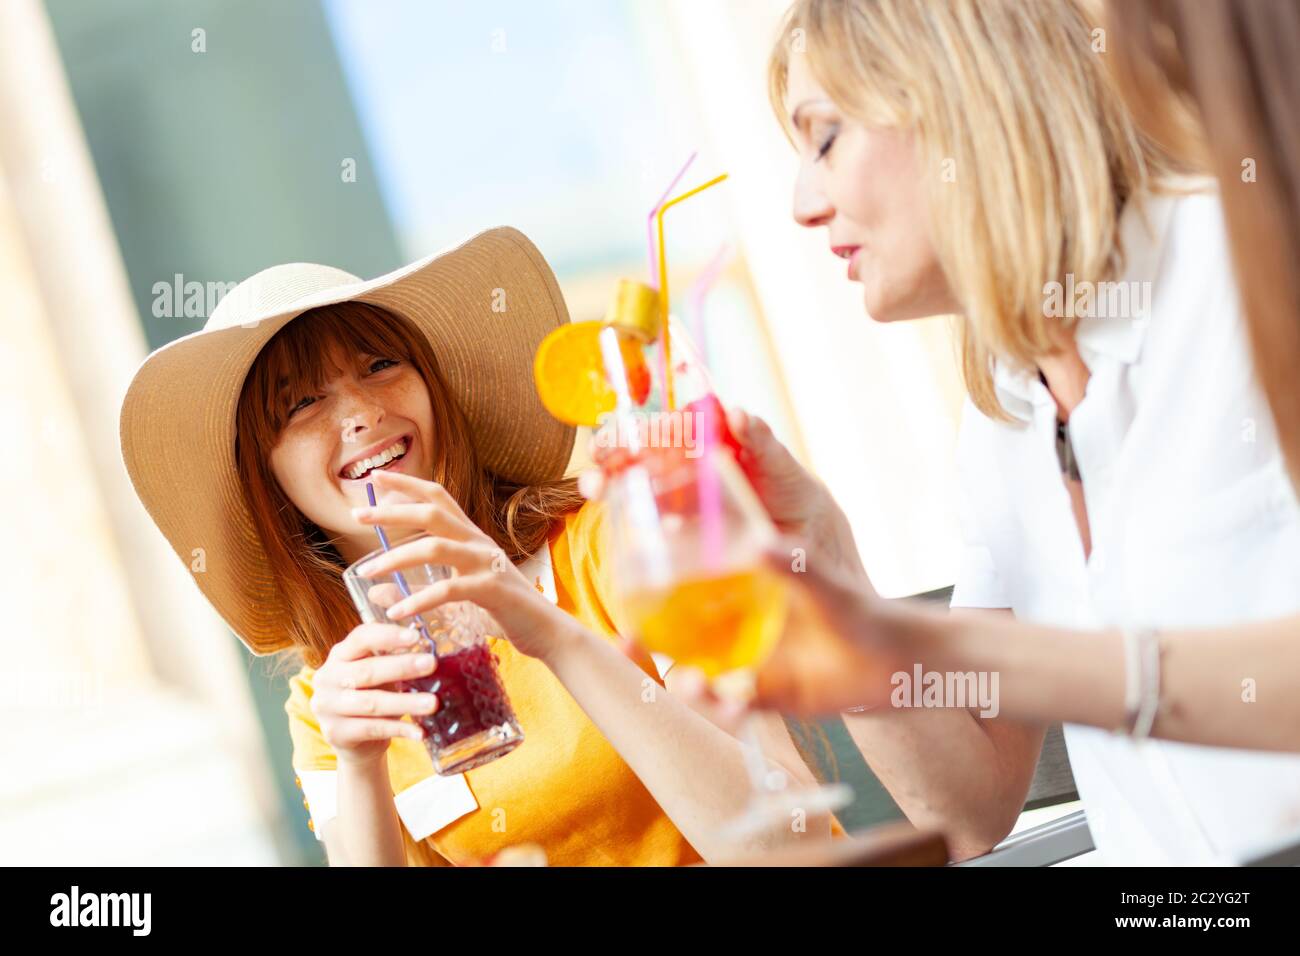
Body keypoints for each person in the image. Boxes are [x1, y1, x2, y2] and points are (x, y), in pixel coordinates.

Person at [664, 0, 1300, 864]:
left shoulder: (1241, 266)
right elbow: (972, 807)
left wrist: (938, 642)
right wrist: (829, 569)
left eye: (824, 139)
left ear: (962, 96)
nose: (803, 204)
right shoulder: (1005, 404)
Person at [119, 227, 833, 867]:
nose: (364, 413)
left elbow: (791, 847)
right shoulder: (328, 702)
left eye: (380, 365)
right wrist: (360, 765)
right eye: (302, 403)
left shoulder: (616, 543)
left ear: (435, 390)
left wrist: (548, 632)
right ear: (266, 475)